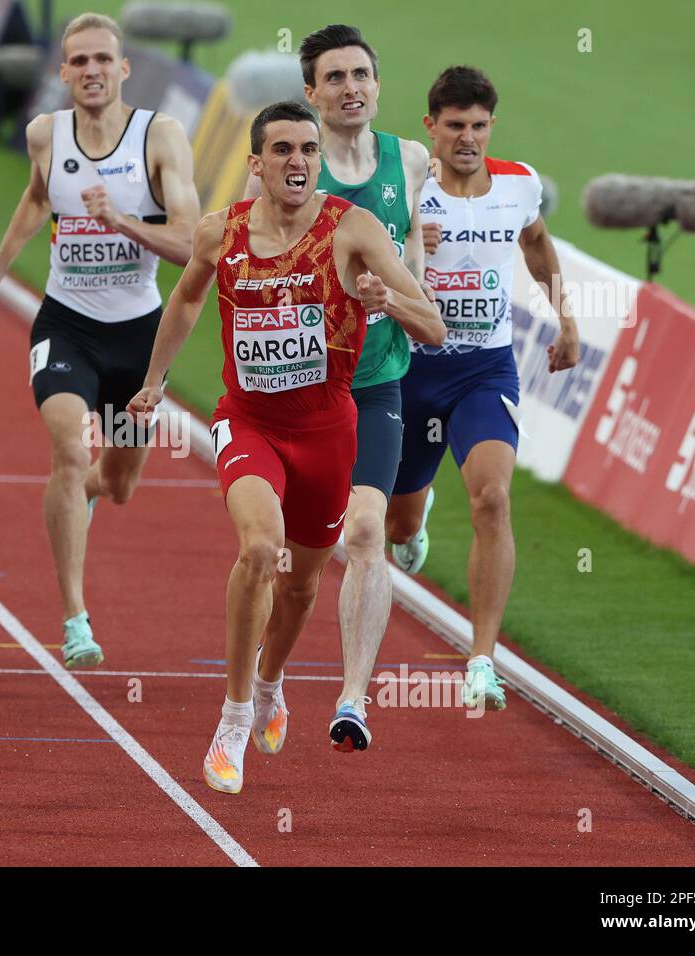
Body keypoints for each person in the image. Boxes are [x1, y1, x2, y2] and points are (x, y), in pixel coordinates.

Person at [129, 102, 442, 794]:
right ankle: (234, 715)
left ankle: (272, 683)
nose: (299, 161)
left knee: (301, 583)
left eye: (308, 149)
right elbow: (183, 301)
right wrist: (154, 380)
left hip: (329, 432)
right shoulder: (222, 233)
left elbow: (435, 328)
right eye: (284, 150)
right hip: (249, 424)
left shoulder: (351, 228)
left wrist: (384, 296)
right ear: (257, 164)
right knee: (258, 548)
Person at [244, 24, 436, 753]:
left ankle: (354, 698)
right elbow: (250, 270)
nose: (351, 88)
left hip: (377, 380)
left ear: (378, 85)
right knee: (290, 556)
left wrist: (401, 299)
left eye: (362, 74)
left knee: (364, 534)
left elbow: (412, 252)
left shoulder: (408, 160)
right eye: (335, 77)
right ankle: (269, 676)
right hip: (295, 394)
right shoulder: (288, 171)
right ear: (311, 92)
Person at [0, 13, 199, 669]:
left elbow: (191, 244)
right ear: (63, 72)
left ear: (124, 67)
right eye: (78, 61)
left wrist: (123, 221)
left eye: (102, 59)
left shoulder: (159, 137)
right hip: (67, 325)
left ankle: (84, 498)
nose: (91, 71)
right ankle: (76, 618)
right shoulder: (44, 134)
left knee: (120, 482)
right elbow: (32, 201)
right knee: (71, 451)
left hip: (138, 335)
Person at [386, 66, 579, 710]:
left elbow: (537, 244)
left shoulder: (520, 184)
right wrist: (409, 240)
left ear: (491, 125)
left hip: (484, 369)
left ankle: (482, 660)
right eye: (455, 126)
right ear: (430, 128)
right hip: (411, 368)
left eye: (478, 125)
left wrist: (566, 319)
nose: (467, 137)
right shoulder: (407, 189)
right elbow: (356, 252)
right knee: (397, 522)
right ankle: (412, 528)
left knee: (493, 499)